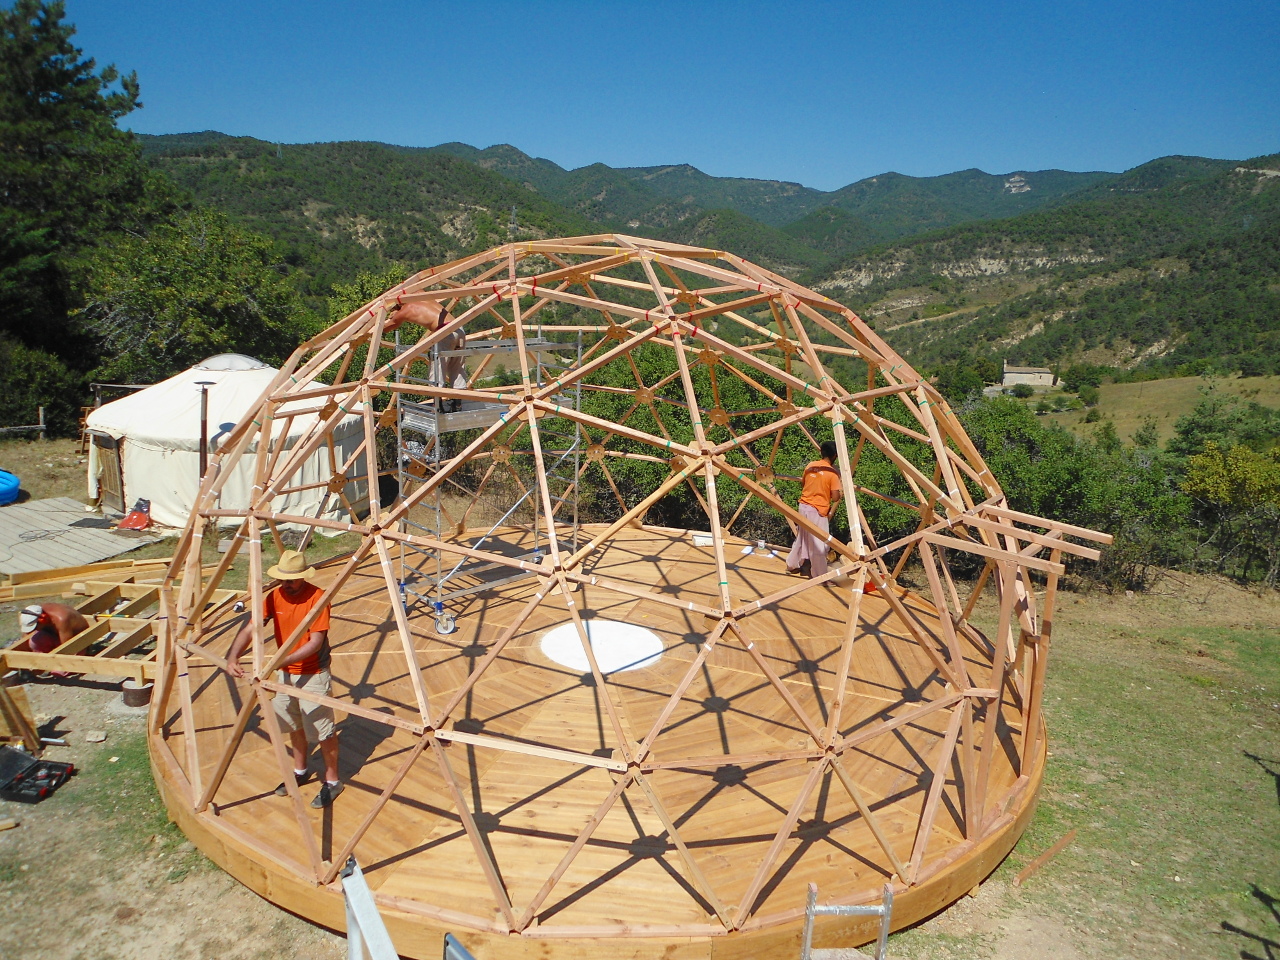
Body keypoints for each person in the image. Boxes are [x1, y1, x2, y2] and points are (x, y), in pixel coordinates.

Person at [223, 549, 342, 807]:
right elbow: (252, 627)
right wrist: (232, 657)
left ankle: (332, 781)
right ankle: (300, 771)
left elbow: (315, 642)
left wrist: (279, 661)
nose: (286, 584)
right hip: (285, 673)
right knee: (292, 722)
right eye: (282, 579)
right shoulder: (274, 596)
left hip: (313, 674)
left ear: (303, 577)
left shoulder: (318, 598)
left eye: (291, 579)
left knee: (323, 730)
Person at [386, 300, 466, 411]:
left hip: (445, 332)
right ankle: (458, 403)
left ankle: (437, 405)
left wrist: (388, 320)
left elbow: (388, 327)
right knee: (457, 367)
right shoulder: (421, 297)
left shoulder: (406, 309)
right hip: (459, 329)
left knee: (437, 367)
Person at [786, 440, 844, 579]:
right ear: (835, 455)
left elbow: (803, 483)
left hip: (804, 506)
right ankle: (820, 575)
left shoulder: (810, 466)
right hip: (818, 510)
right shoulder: (832, 473)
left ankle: (792, 565)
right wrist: (840, 491)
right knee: (819, 544)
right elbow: (835, 497)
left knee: (802, 538)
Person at [19, 603, 90, 678]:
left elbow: (66, 649)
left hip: (76, 640)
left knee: (59, 671)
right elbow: (26, 636)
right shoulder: (33, 612)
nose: (34, 630)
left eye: (35, 627)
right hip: (55, 635)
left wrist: (46, 664)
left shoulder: (62, 619)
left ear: (42, 620)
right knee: (34, 642)